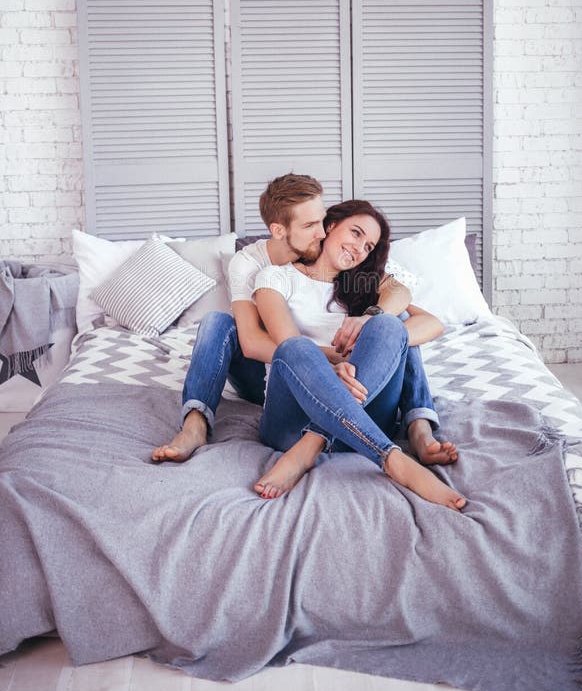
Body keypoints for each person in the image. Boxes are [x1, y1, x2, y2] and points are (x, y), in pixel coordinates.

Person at [152, 174, 448, 472]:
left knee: (395, 324)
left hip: (364, 397)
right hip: (292, 386)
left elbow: (408, 302)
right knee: (221, 323)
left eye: (321, 221)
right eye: (311, 226)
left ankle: (417, 426)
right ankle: (195, 424)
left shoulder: (363, 274)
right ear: (280, 230)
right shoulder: (262, 270)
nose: (320, 233)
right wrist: (332, 362)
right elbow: (263, 344)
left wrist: (370, 320)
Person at [252, 199, 466, 511]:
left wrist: (370, 318)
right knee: (296, 349)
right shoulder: (276, 277)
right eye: (355, 233)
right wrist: (333, 368)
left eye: (368, 246)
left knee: (392, 326)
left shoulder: (362, 284)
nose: (359, 248)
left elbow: (431, 323)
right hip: (290, 421)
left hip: (363, 412)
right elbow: (287, 343)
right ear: (330, 225)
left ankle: (311, 445)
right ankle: (391, 457)